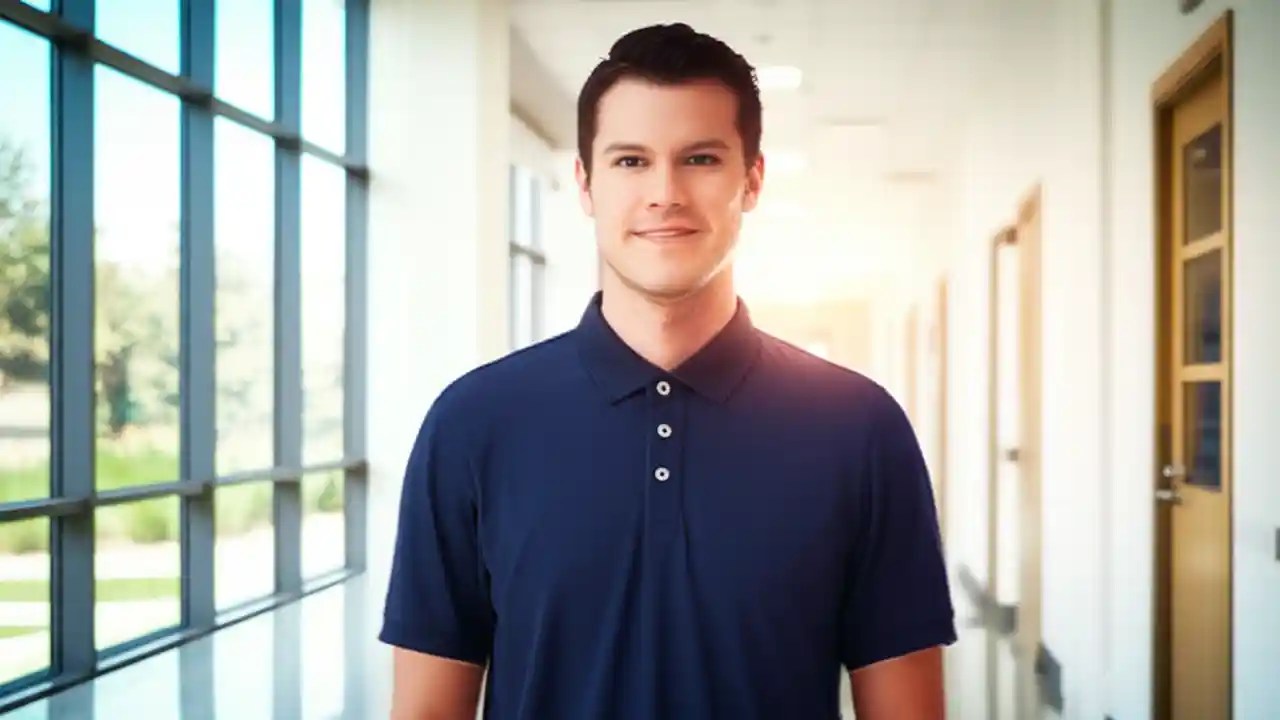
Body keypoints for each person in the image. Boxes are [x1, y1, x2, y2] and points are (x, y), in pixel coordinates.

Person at [379, 22, 956, 720]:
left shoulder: (861, 430)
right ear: (586, 185)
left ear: (753, 181)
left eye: (701, 159)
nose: (665, 192)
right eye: (630, 161)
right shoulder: (472, 424)